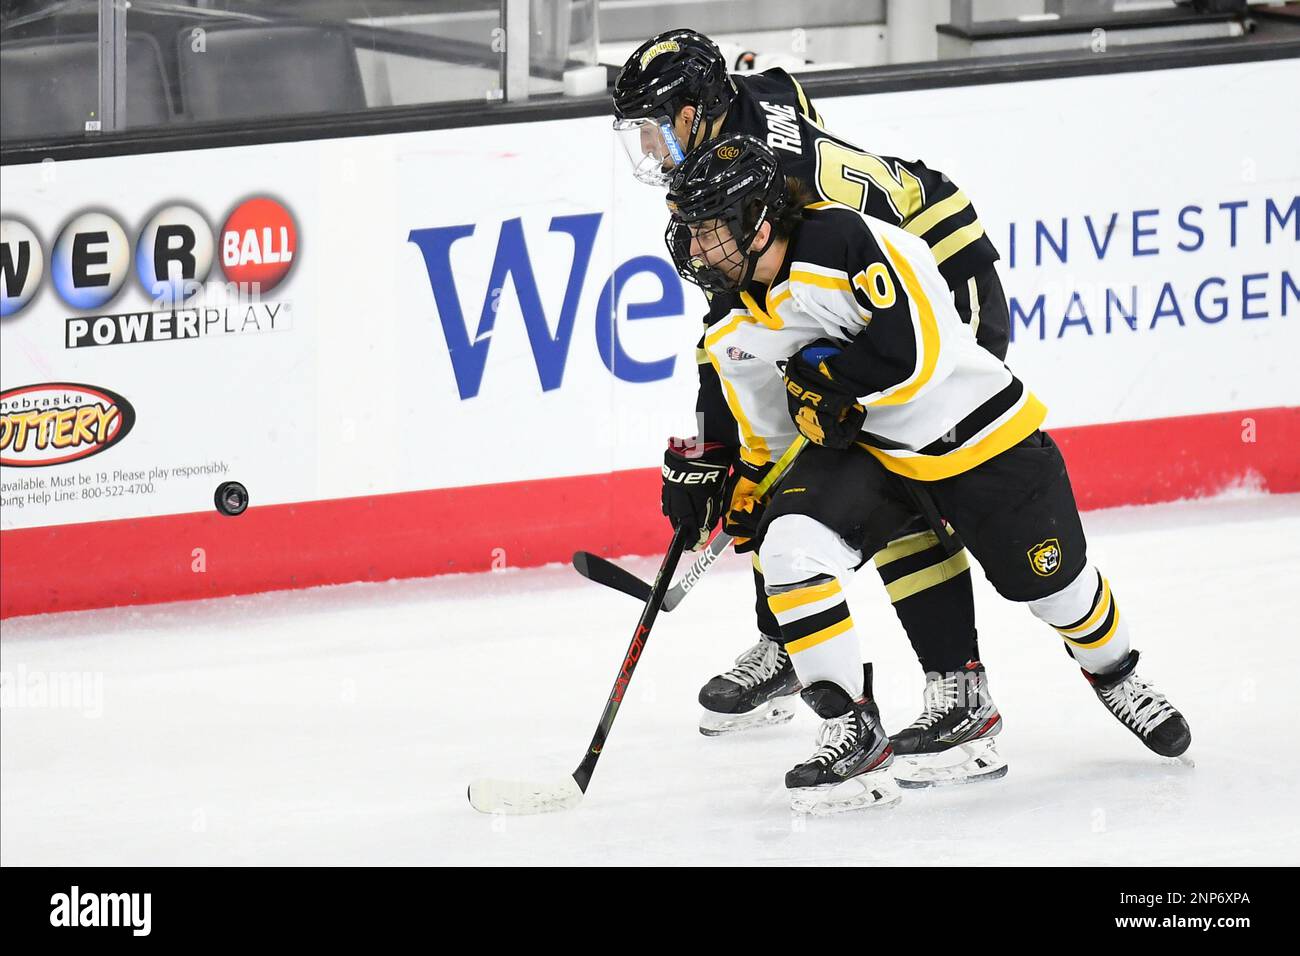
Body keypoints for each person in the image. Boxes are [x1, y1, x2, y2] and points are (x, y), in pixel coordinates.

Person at [661, 133, 1191, 813]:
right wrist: (749, 489)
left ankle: (1115, 674)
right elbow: (769, 434)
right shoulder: (731, 332)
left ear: (758, 222)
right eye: (691, 233)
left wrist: (829, 379)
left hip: (978, 435)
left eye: (711, 232)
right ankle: (853, 731)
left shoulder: (842, 244)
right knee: (789, 545)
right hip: (880, 457)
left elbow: (915, 358)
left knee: (1058, 591)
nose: (698, 250)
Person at [615, 29, 1007, 784]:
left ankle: (961, 693)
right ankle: (793, 643)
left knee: (892, 479)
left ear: (697, 112)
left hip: (931, 276)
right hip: (856, 296)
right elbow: (782, 87)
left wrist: (720, 449)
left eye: (655, 122)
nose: (646, 145)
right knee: (779, 473)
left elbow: (744, 324)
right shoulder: (733, 131)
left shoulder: (768, 181)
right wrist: (720, 452)